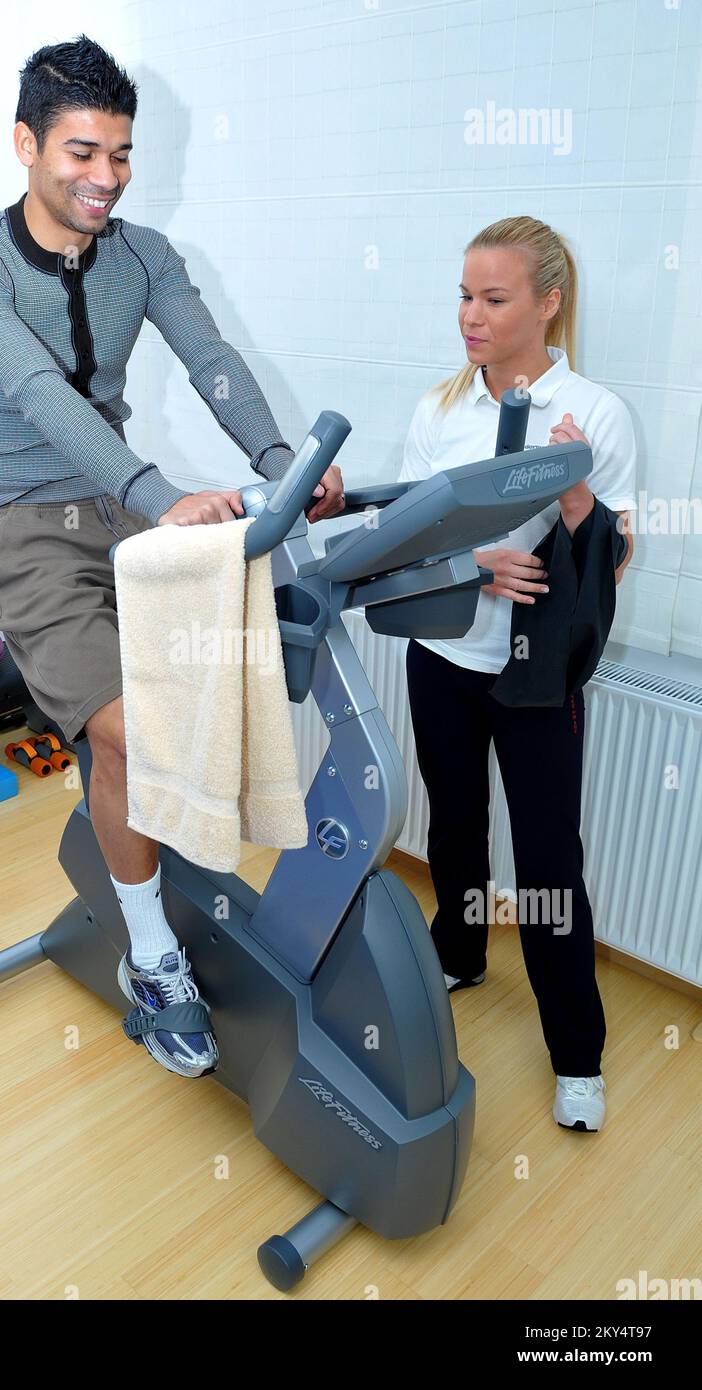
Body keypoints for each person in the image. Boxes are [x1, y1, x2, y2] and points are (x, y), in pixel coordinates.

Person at [0, 35, 345, 1079]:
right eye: (80, 151)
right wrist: (158, 499)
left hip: (126, 517)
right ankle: (151, 961)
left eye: (119, 153)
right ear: (25, 144)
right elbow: (36, 393)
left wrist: (284, 461)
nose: (104, 177)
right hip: (26, 526)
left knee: (171, 723)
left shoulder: (147, 255)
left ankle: (146, 860)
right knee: (123, 732)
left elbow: (211, 361)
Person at [398, 216, 636, 1132]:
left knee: (546, 864)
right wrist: (474, 567)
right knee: (453, 825)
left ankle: (577, 1056)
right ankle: (458, 955)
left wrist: (577, 496)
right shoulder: (441, 410)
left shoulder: (599, 415)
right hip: (444, 658)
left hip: (535, 678)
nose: (471, 315)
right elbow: (413, 540)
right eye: (465, 295)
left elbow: (608, 566)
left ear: (547, 303)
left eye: (494, 299)